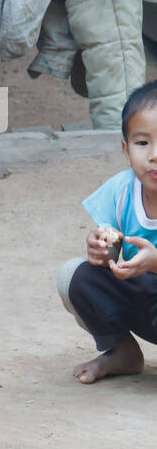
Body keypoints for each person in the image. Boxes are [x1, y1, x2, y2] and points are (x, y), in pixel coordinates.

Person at [57, 80, 157, 383]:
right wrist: (100, 246)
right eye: (143, 143)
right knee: (73, 275)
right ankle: (121, 351)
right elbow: (108, 238)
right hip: (142, 298)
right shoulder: (122, 190)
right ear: (126, 151)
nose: (154, 155)